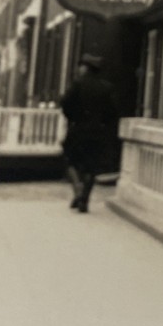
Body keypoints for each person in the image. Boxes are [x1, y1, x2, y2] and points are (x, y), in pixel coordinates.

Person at [59, 53, 119, 214]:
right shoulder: (106, 87)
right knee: (91, 167)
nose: (80, 69)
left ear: (86, 68)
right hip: (97, 132)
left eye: (82, 66)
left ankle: (77, 189)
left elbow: (65, 104)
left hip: (78, 129)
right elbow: (112, 112)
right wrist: (102, 124)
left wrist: (72, 117)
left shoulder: (77, 84)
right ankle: (84, 200)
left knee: (70, 160)